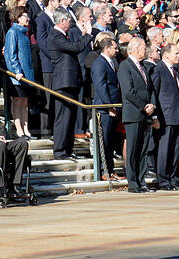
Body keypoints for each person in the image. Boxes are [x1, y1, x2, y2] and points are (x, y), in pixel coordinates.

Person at [117, 37, 157, 192]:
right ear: (135, 49)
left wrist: (152, 105)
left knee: (143, 150)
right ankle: (132, 182)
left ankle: (142, 180)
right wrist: (143, 106)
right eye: (143, 48)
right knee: (133, 150)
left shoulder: (143, 67)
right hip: (134, 114)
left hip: (146, 114)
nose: (145, 51)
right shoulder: (125, 66)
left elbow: (150, 89)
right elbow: (128, 91)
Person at [46, 10, 86, 159]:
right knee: (63, 118)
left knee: (70, 117)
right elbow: (75, 48)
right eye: (69, 21)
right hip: (63, 82)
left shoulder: (62, 35)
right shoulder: (55, 35)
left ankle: (68, 149)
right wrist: (86, 35)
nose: (71, 23)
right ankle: (60, 150)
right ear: (62, 21)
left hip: (70, 81)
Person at [152, 42, 179, 190]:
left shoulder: (175, 71)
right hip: (165, 116)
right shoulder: (158, 69)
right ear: (166, 54)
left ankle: (172, 179)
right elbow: (155, 93)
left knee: (175, 149)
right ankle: (163, 180)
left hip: (177, 115)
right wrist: (155, 117)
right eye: (176, 53)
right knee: (165, 149)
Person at [90, 34, 122, 180]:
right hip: (105, 109)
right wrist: (109, 105)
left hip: (113, 107)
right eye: (115, 48)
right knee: (105, 140)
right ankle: (105, 170)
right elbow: (101, 86)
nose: (117, 51)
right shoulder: (99, 63)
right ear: (107, 48)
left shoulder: (110, 62)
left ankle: (110, 169)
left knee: (111, 140)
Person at [3, 5, 34, 138]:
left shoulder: (24, 33)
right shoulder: (12, 32)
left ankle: (26, 128)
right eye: (24, 16)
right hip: (17, 75)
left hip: (27, 74)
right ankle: (19, 129)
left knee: (25, 101)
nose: (27, 18)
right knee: (17, 100)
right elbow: (11, 54)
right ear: (18, 18)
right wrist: (16, 71)